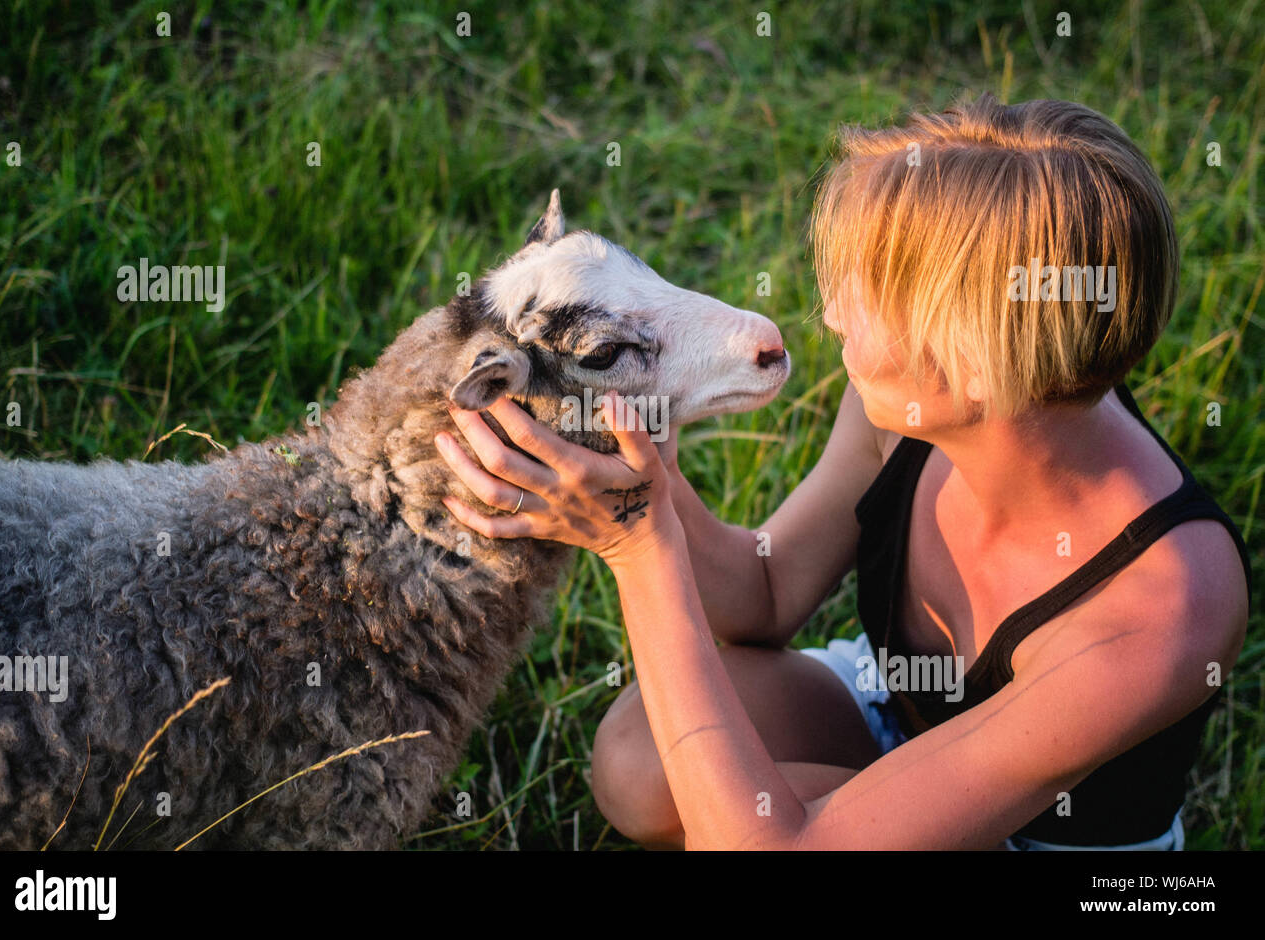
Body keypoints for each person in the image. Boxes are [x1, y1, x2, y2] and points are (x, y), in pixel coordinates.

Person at [433, 94, 1252, 850]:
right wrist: (649, 476)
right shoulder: (919, 406)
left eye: (870, 293)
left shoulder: (1162, 609)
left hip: (1048, 845)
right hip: (898, 711)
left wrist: (637, 546)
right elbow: (765, 597)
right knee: (640, 761)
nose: (829, 312)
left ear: (972, 362)